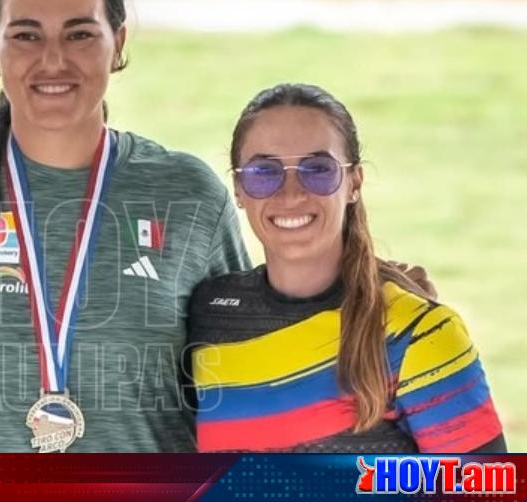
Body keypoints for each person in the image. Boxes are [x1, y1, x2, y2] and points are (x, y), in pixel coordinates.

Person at [0, 0, 250, 452]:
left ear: (119, 43)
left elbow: (240, 392)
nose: (53, 60)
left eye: (79, 34)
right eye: (26, 35)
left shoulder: (189, 195)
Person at [187, 83, 505, 453]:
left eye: (318, 169)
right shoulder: (210, 314)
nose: (290, 194)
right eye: (264, 172)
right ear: (239, 189)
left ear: (354, 183)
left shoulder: (418, 333)